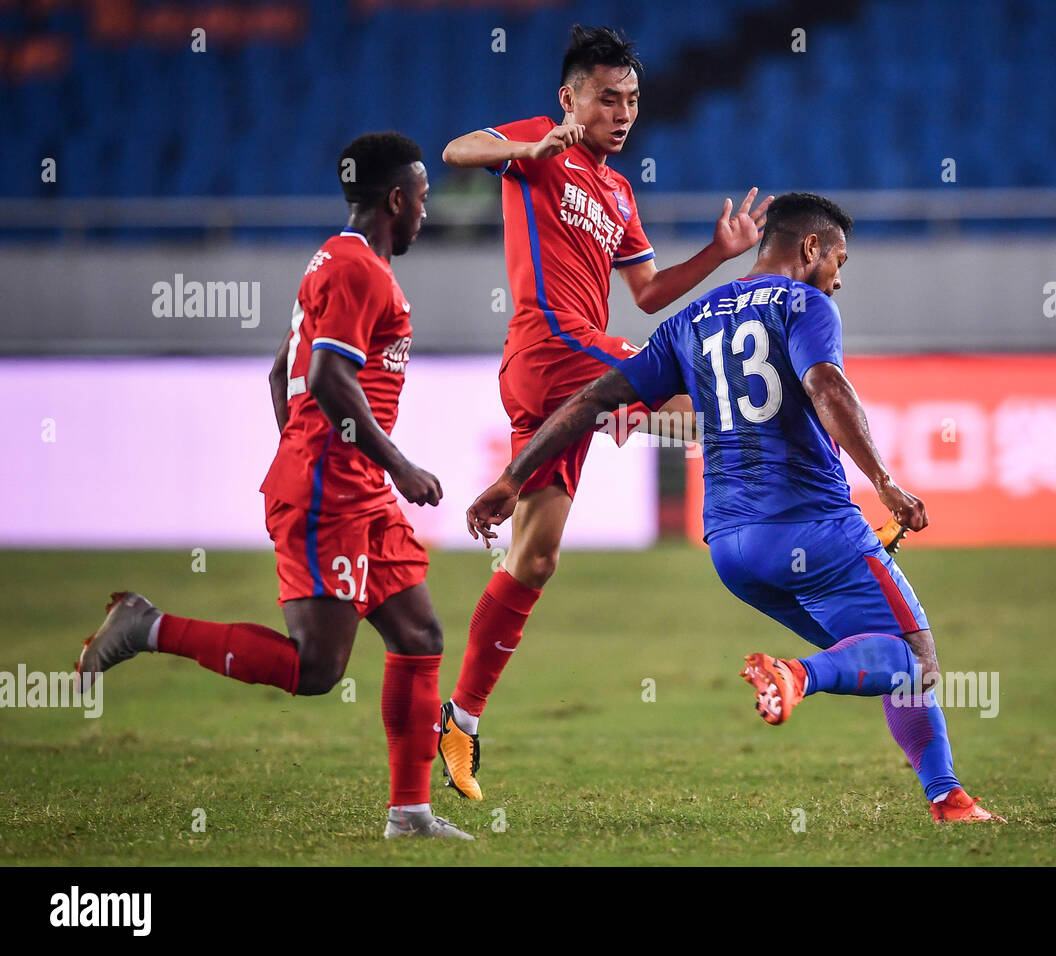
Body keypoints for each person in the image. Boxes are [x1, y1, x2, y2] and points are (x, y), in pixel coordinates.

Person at [466, 192, 1005, 823]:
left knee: (877, 654)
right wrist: (884, 482)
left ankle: (949, 799)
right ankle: (797, 677)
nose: (839, 277)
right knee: (913, 658)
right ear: (811, 247)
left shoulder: (689, 320)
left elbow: (591, 401)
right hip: (814, 525)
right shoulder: (806, 305)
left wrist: (513, 477)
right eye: (839, 260)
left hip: (731, 548)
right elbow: (826, 384)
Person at [75, 132, 473, 840]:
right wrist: (395, 465)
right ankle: (147, 626)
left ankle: (410, 815)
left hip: (349, 486)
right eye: (421, 197)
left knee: (419, 635)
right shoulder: (359, 272)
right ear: (395, 199)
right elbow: (325, 377)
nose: (426, 210)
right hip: (332, 492)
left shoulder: (338, 260)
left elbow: (278, 372)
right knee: (316, 668)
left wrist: (311, 451)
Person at [438, 24, 772, 799]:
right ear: (570, 98)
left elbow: (648, 293)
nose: (622, 114)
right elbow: (455, 152)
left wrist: (719, 255)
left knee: (535, 559)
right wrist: (526, 148)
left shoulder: (618, 192)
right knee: (704, 396)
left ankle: (460, 721)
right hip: (554, 346)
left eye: (632, 100)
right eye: (607, 99)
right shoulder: (538, 143)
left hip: (568, 383)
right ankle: (793, 519)